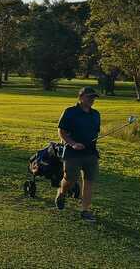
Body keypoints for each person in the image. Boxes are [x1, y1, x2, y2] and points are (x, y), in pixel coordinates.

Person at [55, 86, 101, 223]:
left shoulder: (96, 114)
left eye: (93, 97)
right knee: (70, 179)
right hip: (72, 153)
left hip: (91, 153)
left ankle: (85, 210)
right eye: (89, 97)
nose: (92, 100)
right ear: (80, 97)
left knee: (89, 182)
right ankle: (62, 193)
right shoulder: (70, 112)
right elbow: (61, 132)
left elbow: (95, 132)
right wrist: (73, 143)